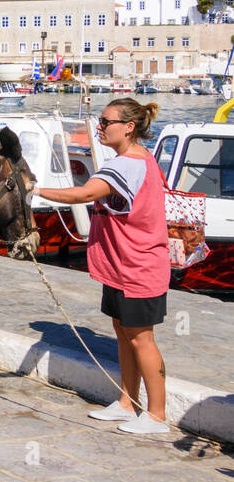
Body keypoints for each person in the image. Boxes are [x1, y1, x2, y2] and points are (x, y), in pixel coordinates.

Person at [36, 98, 169, 434]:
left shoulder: (128, 165)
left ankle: (157, 415)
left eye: (106, 121)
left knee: (141, 339)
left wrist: (33, 189)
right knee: (124, 334)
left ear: (129, 127)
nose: (100, 126)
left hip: (139, 265)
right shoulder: (134, 160)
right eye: (100, 119)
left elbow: (83, 195)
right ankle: (127, 402)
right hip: (121, 265)